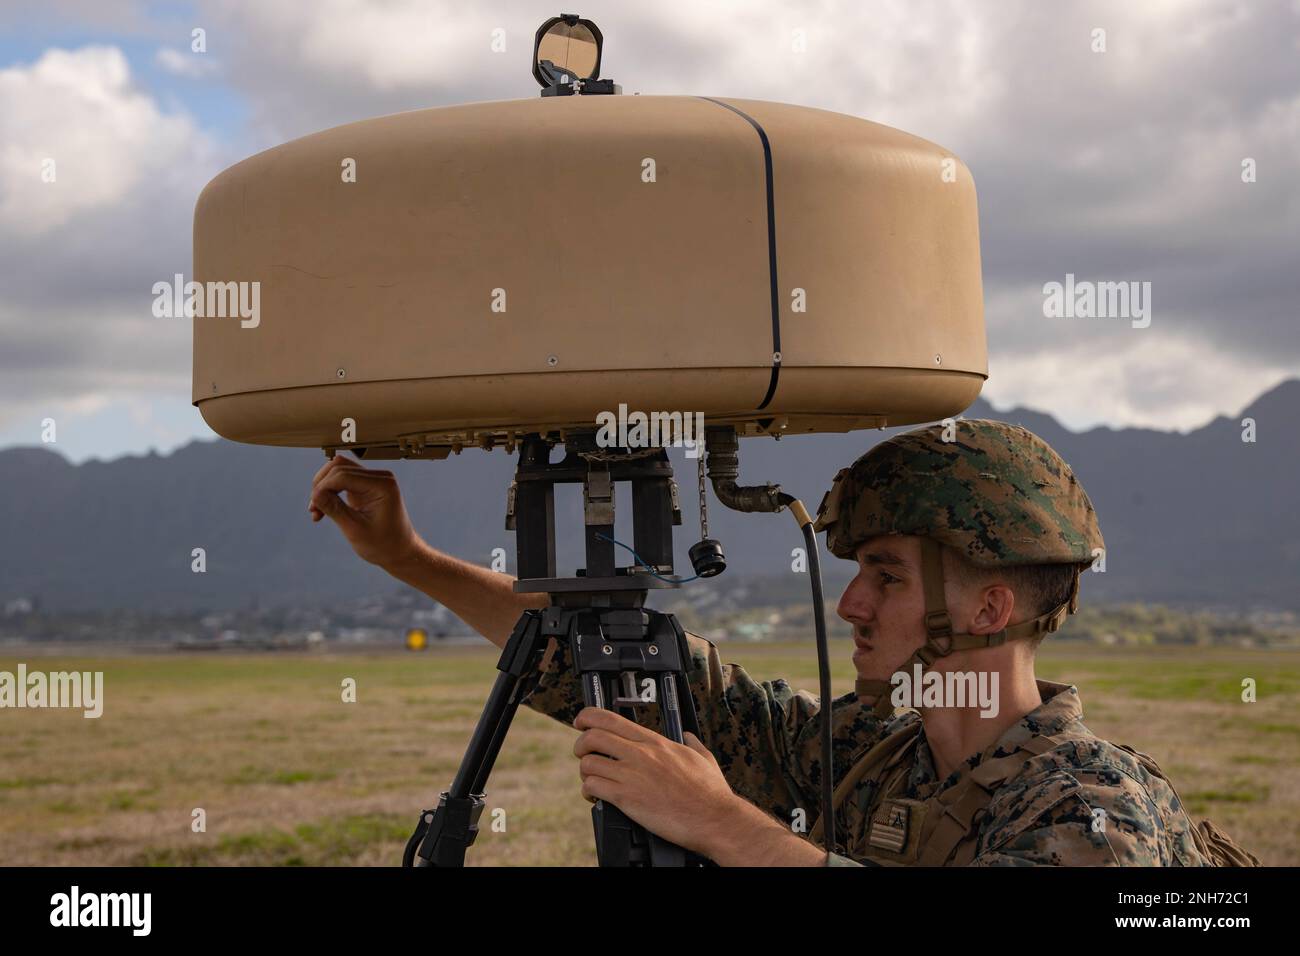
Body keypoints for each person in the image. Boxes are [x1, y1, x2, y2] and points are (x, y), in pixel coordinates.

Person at [308, 419, 1212, 866]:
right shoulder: (876, 752)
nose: (851, 601)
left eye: (889, 576)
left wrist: (722, 825)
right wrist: (407, 557)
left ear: (988, 610)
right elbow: (591, 655)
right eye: (857, 570)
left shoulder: (1089, 806)